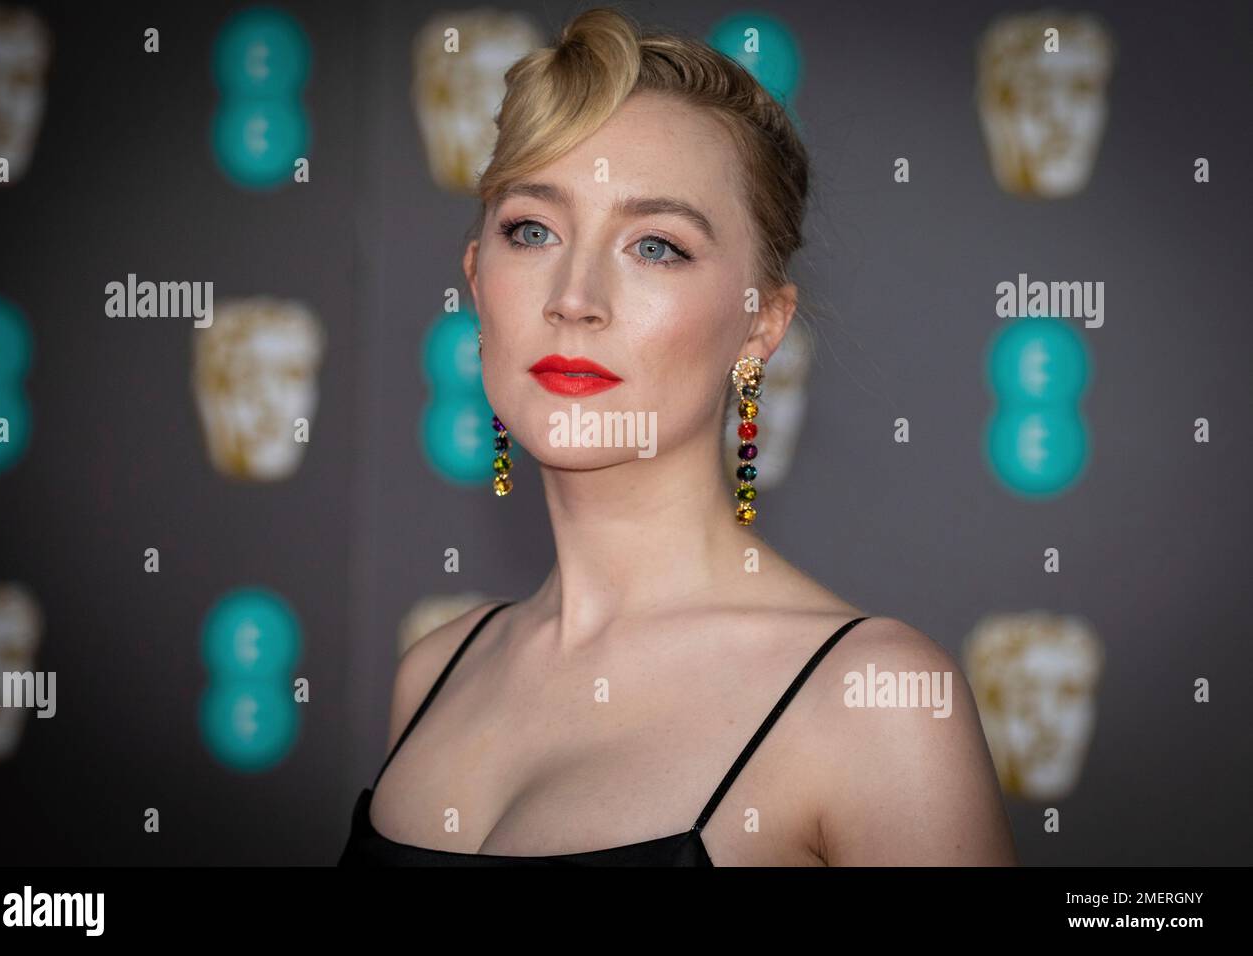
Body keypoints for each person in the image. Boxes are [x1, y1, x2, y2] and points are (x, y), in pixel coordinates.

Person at [339, 6, 1017, 866]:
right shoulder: (434, 672)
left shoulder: (877, 703)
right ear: (477, 281)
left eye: (655, 246)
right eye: (532, 230)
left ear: (761, 326)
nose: (574, 296)